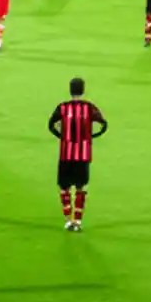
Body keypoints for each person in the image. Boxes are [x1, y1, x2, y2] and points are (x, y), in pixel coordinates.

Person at [49, 77, 108, 231]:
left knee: (64, 188)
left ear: (70, 90)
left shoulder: (62, 107)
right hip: (83, 155)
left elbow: (50, 125)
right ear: (83, 90)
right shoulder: (89, 108)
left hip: (65, 154)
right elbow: (103, 124)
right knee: (81, 188)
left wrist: (61, 136)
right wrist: (90, 136)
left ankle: (68, 220)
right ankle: (78, 221)